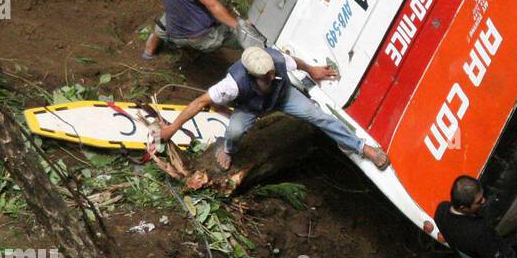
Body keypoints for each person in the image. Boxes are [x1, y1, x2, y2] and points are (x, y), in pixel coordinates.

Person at [157, 45, 390, 170]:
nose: (272, 75)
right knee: (235, 131)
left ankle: (361, 148)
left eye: (272, 72)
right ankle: (227, 150)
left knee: (318, 116)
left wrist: (311, 70)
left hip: (283, 96)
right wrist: (173, 128)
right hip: (250, 107)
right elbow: (200, 102)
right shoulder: (232, 85)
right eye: (265, 77)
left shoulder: (276, 60)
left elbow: (295, 62)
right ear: (251, 75)